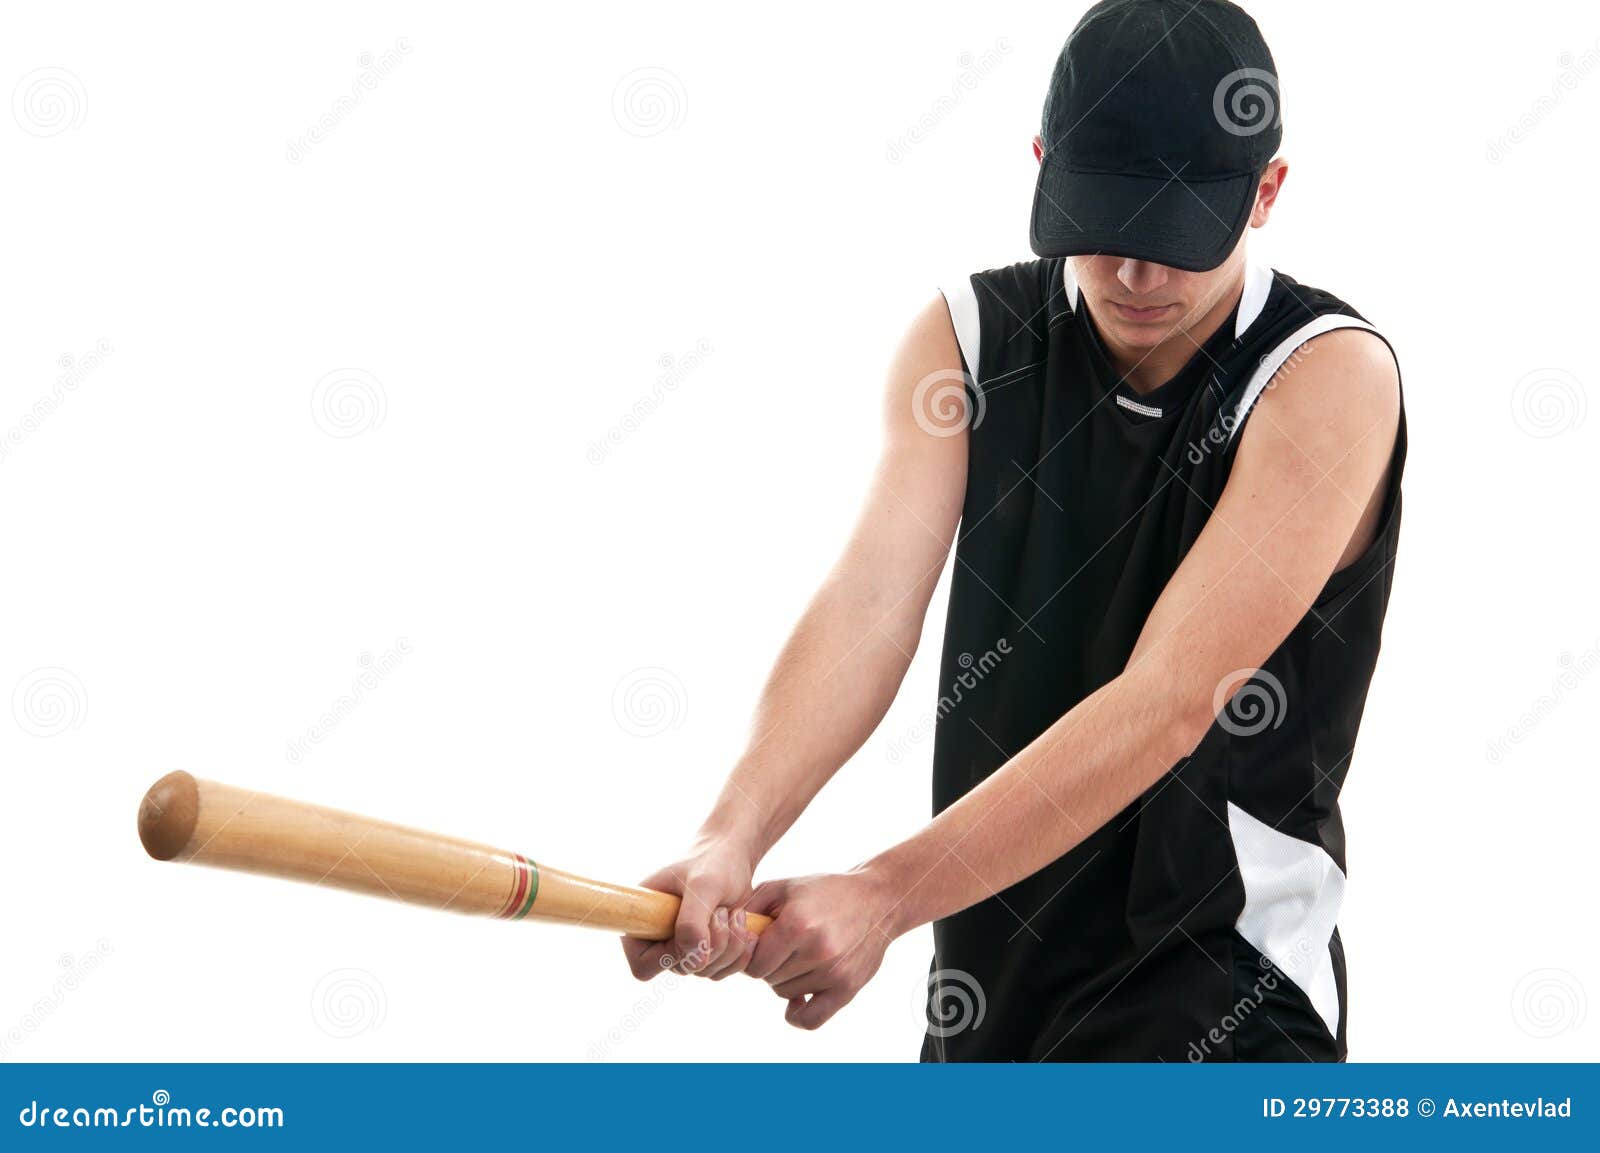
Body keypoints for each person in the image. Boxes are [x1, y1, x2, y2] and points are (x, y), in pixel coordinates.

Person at [621, 0, 1405, 1062]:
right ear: (1043, 166)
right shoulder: (965, 338)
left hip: (1219, 997)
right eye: (1106, 223)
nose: (1136, 275)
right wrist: (731, 833)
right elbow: (869, 602)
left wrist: (883, 894)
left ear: (1264, 192)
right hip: (984, 991)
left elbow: (1169, 700)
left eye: (1174, 237)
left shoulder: (1323, 378)